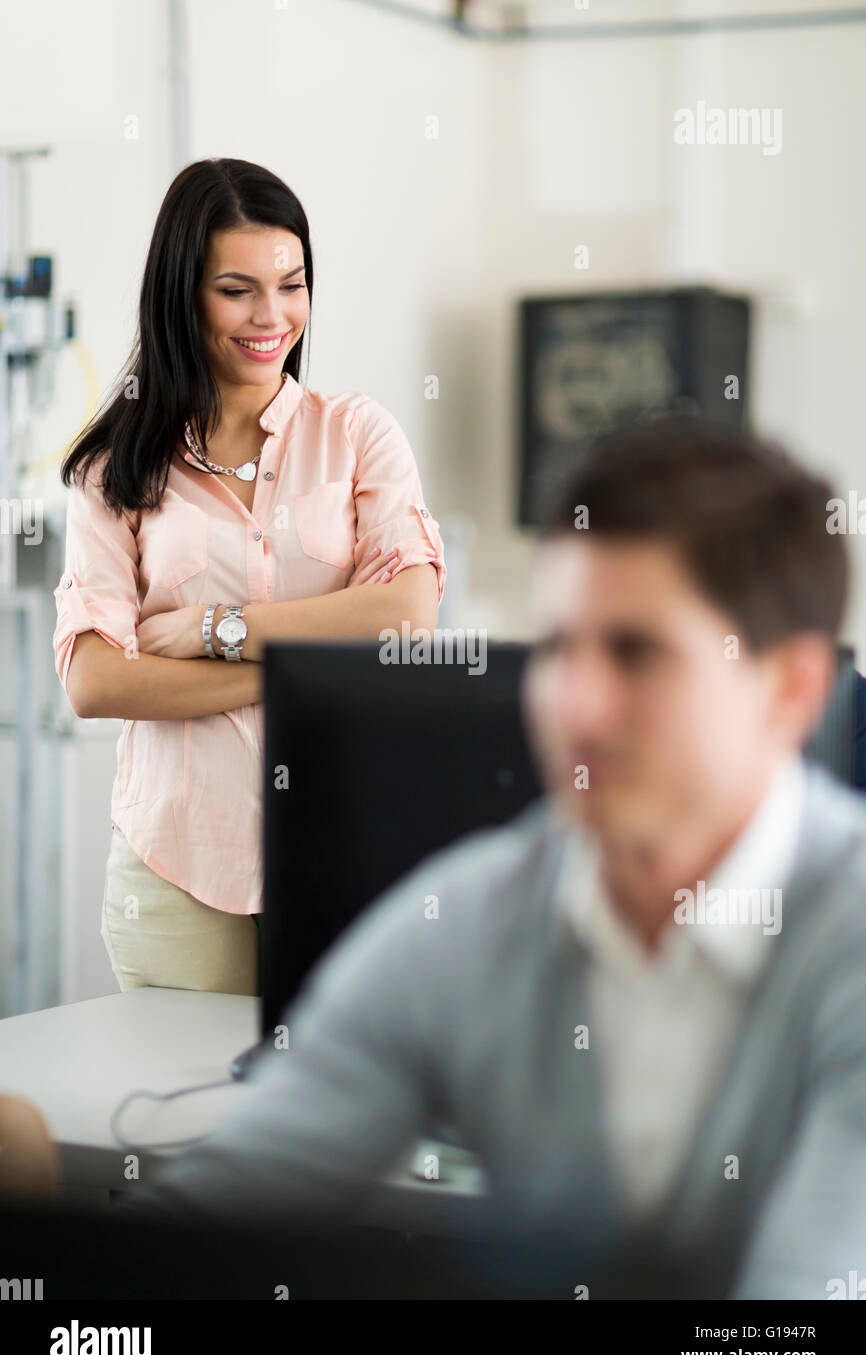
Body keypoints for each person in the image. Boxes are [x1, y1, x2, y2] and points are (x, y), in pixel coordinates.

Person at [36, 415, 866, 1298]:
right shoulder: (477, 914)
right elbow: (227, 1209)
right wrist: (47, 1241)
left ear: (792, 689)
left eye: (636, 654)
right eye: (560, 649)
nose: (574, 706)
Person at [52, 157, 445, 996]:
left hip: (345, 852)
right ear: (181, 294)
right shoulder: (113, 468)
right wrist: (315, 664)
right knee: (180, 1123)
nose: (274, 317)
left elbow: (410, 615)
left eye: (291, 283)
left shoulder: (357, 435)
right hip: (178, 869)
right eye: (238, 290)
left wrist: (213, 633)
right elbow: (91, 680)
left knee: (334, 1121)